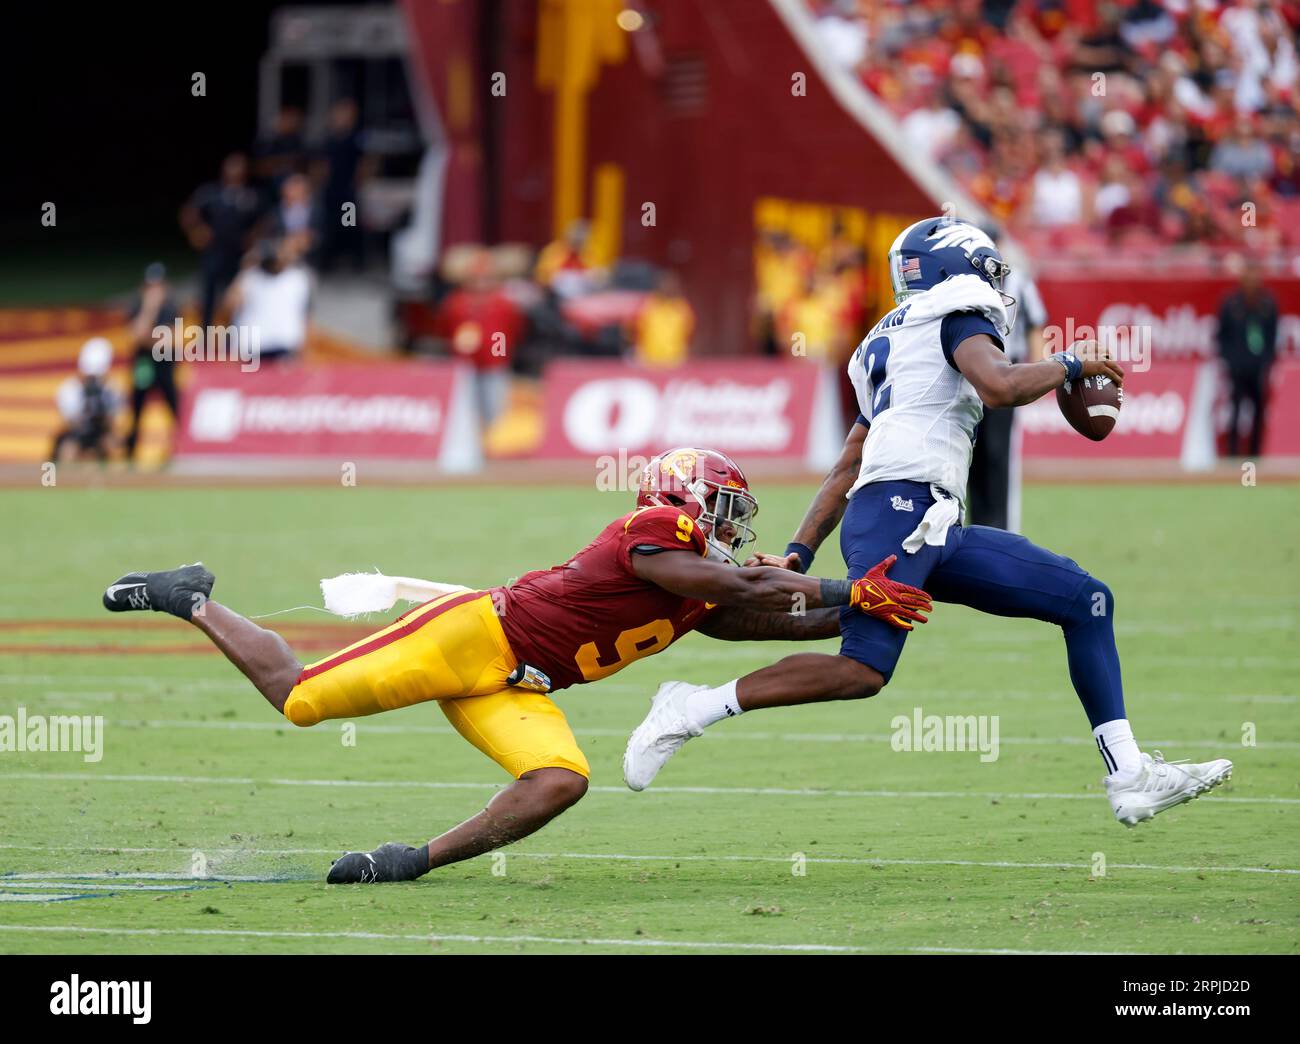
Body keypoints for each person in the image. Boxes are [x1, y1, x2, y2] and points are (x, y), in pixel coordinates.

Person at [623, 218, 1232, 829]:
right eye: (987, 268)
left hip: (925, 518)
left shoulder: (894, 338)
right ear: (954, 270)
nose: (995, 283)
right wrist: (1071, 364)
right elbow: (998, 387)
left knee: (1086, 600)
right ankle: (692, 708)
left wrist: (798, 555)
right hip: (901, 510)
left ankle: (1129, 775)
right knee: (863, 668)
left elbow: (846, 467)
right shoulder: (958, 315)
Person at [100, 448, 932, 883]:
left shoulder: (699, 590)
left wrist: (864, 609)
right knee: (299, 701)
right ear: (681, 499)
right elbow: (726, 580)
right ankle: (193, 597)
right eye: (720, 508)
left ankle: (408, 861)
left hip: (518, 683)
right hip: (473, 636)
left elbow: (757, 614)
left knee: (561, 779)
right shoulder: (655, 535)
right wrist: (843, 582)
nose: (730, 525)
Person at [967, 228, 1048, 532]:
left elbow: (1036, 325)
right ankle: (974, 528)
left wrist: (1039, 370)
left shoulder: (1018, 282)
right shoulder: (966, 283)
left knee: (999, 454)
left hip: (1006, 371)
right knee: (969, 454)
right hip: (971, 377)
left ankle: (1001, 529)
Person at [179, 153, 264, 333]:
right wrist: (196, 232)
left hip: (238, 254)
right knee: (209, 295)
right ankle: (206, 334)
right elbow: (188, 213)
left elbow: (264, 221)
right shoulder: (210, 193)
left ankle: (234, 335)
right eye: (231, 166)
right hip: (214, 251)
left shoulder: (251, 197)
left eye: (239, 167)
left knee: (235, 297)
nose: (235, 171)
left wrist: (253, 237)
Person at [1217, 258, 1278, 458]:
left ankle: (1255, 453)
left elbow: (1272, 337)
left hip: (1259, 367)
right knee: (1234, 410)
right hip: (1237, 367)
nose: (1252, 281)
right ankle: (1233, 454)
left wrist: (1267, 362)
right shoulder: (1231, 304)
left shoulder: (1268, 305)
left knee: (1259, 410)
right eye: (1248, 277)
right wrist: (1229, 360)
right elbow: (1221, 336)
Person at [124, 263, 183, 463]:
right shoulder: (138, 307)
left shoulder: (171, 308)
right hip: (144, 364)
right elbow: (137, 335)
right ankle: (130, 453)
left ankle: (180, 449)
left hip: (165, 364)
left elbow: (168, 339)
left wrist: (148, 338)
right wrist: (150, 308)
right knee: (137, 408)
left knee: (174, 407)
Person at [225, 239, 313, 366]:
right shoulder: (250, 277)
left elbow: (305, 316)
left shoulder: (297, 278)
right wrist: (244, 269)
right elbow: (230, 305)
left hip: (285, 344)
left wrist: (304, 349)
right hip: (253, 346)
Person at [51, 338, 121, 463]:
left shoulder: (111, 389)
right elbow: (70, 424)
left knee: (113, 445)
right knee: (69, 449)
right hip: (77, 434)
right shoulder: (69, 389)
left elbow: (113, 423)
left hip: (101, 433)